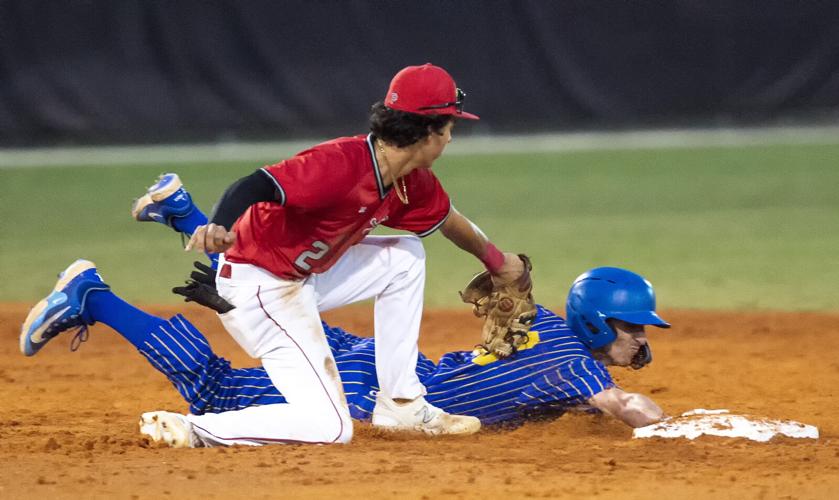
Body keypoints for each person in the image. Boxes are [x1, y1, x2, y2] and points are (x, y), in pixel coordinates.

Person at [133, 63, 530, 441]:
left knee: (405, 255)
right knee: (330, 428)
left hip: (305, 277)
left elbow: (450, 221)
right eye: (449, 126)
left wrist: (497, 262)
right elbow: (255, 185)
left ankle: (403, 404)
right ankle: (193, 430)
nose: (449, 137)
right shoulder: (340, 164)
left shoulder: (412, 181)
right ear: (428, 131)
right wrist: (219, 223)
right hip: (262, 286)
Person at [19, 258, 670, 447]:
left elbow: (505, 296)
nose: (641, 339)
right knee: (215, 392)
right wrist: (657, 420)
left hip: (389, 367)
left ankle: (206, 243)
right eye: (632, 328)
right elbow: (624, 408)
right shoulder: (577, 367)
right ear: (595, 324)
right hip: (368, 391)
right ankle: (92, 297)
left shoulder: (548, 325)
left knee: (267, 311)